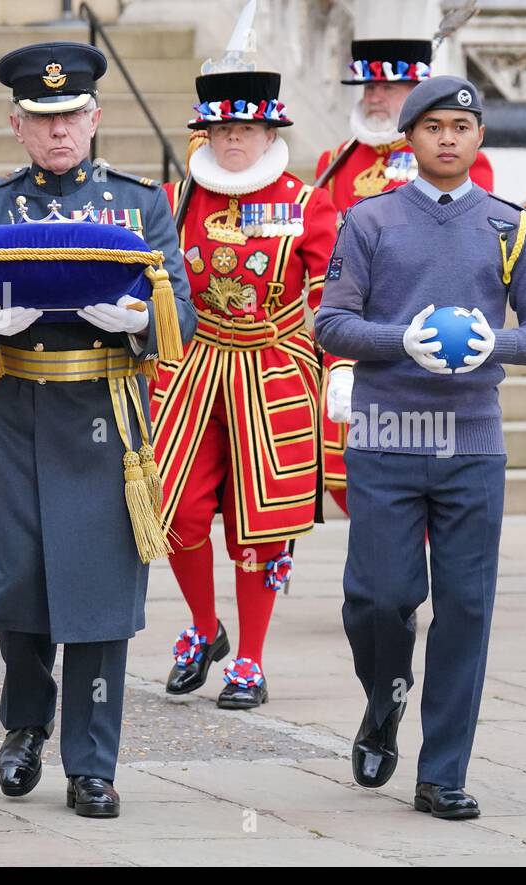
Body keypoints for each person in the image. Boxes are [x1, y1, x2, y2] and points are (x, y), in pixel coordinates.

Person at [0, 42, 195, 818]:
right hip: (19, 411)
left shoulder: (140, 202)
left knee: (98, 596)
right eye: (43, 119)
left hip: (107, 413)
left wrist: (142, 317)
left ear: (96, 118)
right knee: (20, 586)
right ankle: (23, 723)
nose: (59, 131)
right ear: (18, 125)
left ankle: (91, 763)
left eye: (72, 116)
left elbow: (180, 303)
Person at [316, 76, 526, 820]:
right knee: (378, 596)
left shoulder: (508, 225)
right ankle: (386, 694)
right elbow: (330, 323)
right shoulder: (370, 222)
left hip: (472, 441)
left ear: (479, 137)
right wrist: (406, 341)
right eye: (434, 127)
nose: (449, 138)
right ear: (410, 139)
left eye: (463, 125)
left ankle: (443, 772)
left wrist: (496, 340)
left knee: (465, 607)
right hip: (387, 435)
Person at [153, 69, 336, 708]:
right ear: (204, 132)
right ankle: (205, 628)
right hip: (194, 369)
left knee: (262, 524)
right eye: (222, 128)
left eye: (248, 129)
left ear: (269, 132)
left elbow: (333, 300)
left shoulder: (307, 202)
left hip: (274, 370)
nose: (235, 140)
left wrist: (339, 366)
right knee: (173, 507)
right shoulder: (174, 200)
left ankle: (251, 661)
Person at [317, 38, 495, 516]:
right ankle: (395, 558)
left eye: (390, 87)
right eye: (369, 85)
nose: (374, 96)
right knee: (342, 470)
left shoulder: (452, 159)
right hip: (354, 326)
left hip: (430, 326)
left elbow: (471, 241)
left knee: (425, 470)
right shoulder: (337, 158)